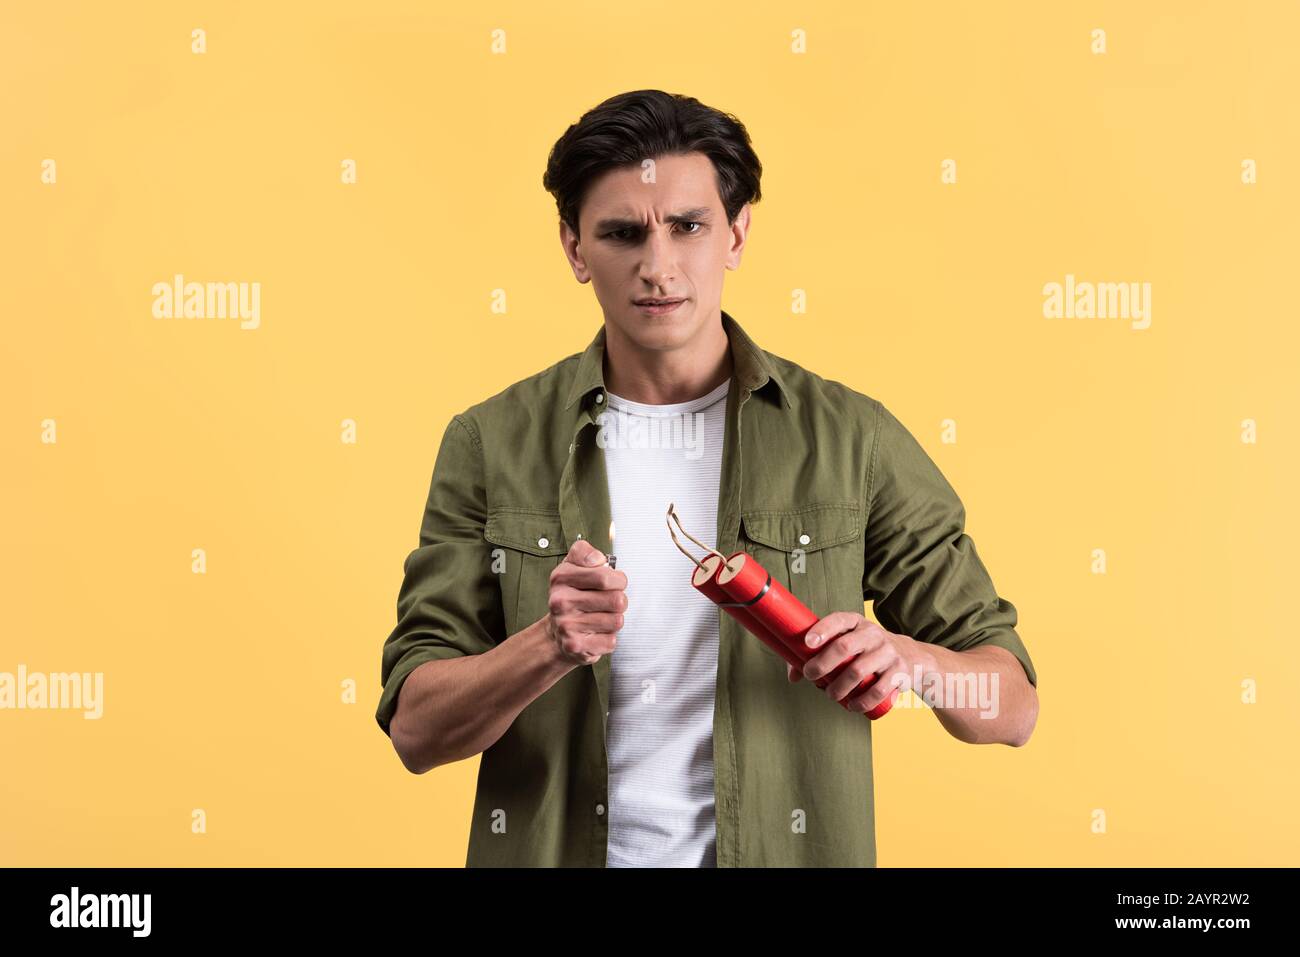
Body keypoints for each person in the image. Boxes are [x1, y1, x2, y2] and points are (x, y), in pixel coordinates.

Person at [375, 89, 1039, 867]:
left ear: (737, 231)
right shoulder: (490, 442)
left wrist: (911, 662)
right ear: (574, 248)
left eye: (687, 226)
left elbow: (1011, 705)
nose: (658, 267)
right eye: (622, 234)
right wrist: (548, 645)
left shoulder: (851, 439)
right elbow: (417, 731)